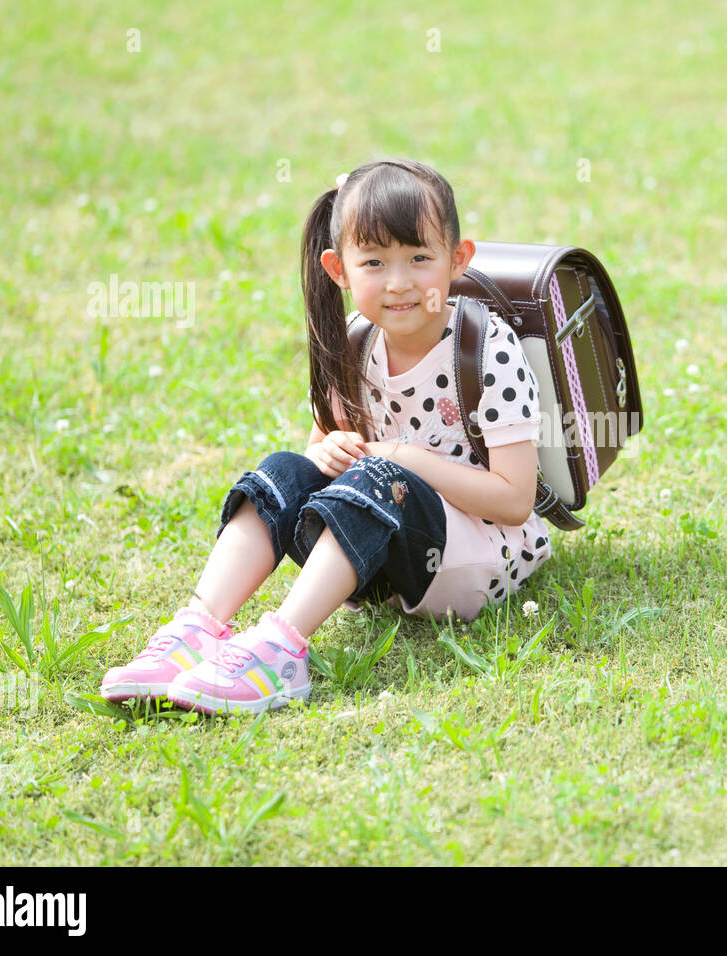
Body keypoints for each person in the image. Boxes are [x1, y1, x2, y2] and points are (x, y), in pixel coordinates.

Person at [100, 158, 552, 715]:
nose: (399, 281)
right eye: (374, 262)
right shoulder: (355, 342)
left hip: (474, 561)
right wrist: (326, 451)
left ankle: (281, 650)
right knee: (286, 469)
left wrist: (403, 458)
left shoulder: (486, 348)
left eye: (419, 258)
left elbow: (513, 501)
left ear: (458, 260)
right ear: (339, 270)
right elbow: (323, 453)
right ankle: (197, 629)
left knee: (380, 478)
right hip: (383, 554)